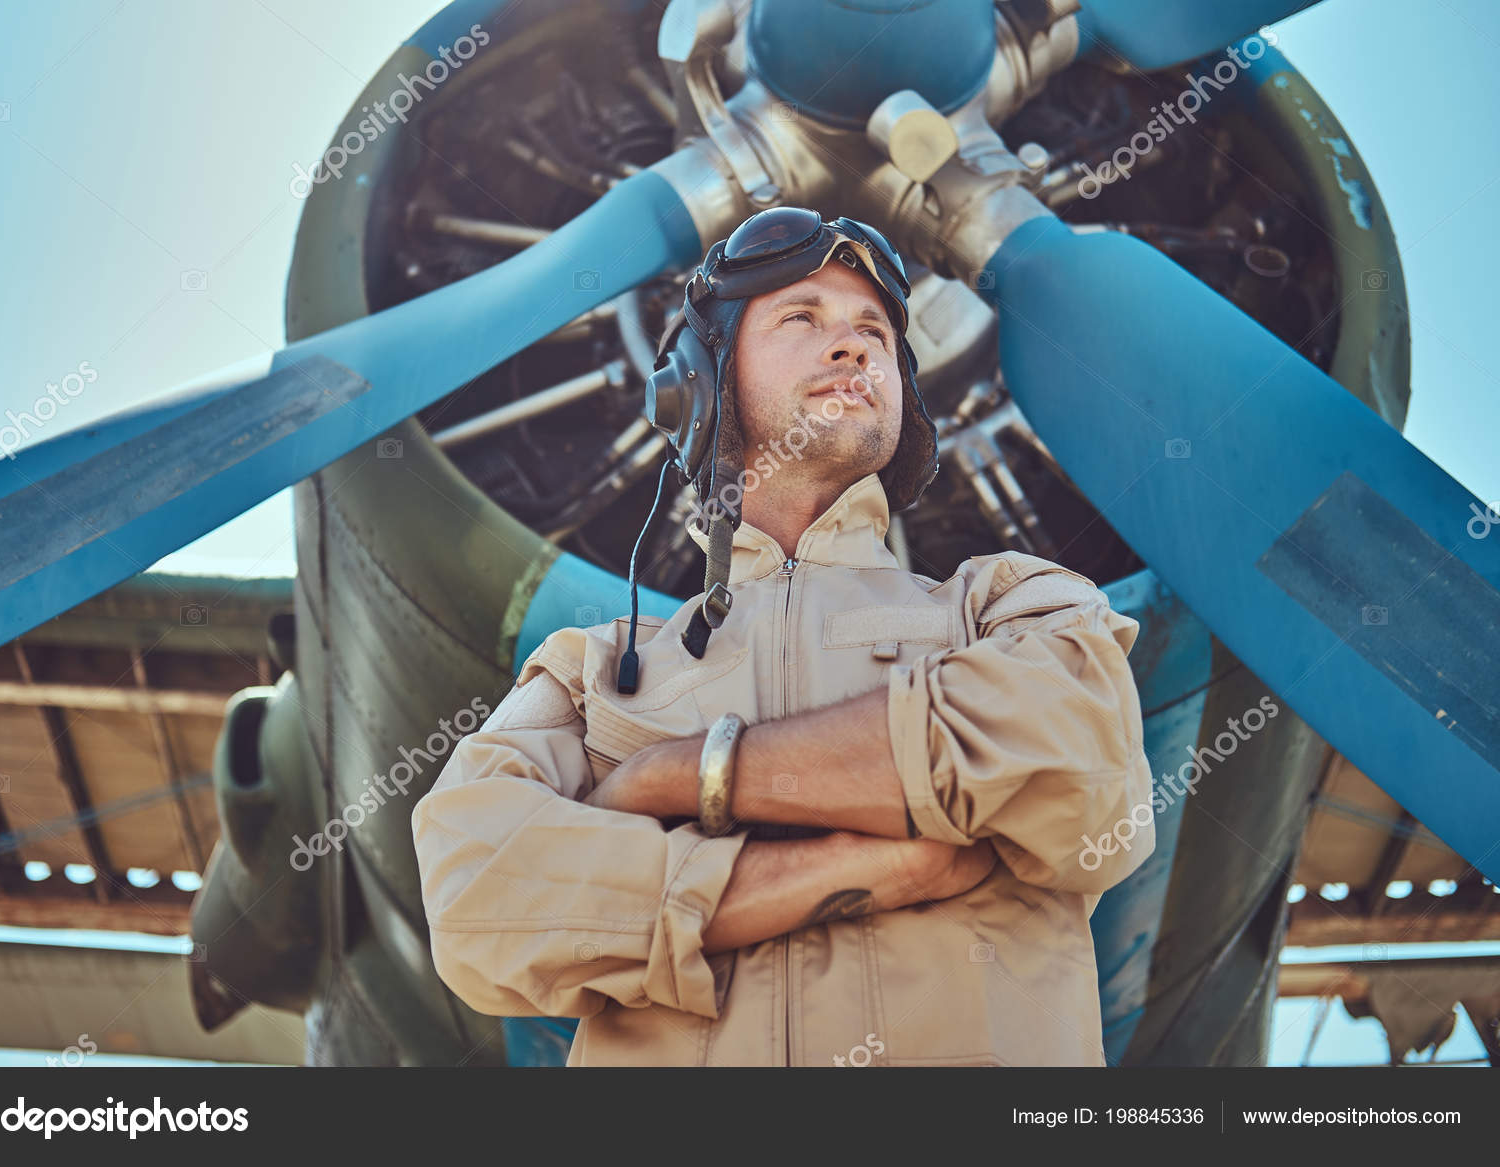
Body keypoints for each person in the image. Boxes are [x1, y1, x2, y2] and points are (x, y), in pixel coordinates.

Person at [411, 207, 1155, 1066]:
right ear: (702, 385)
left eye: (873, 330)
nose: (853, 347)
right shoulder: (586, 675)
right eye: (802, 318)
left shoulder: (1015, 602)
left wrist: (678, 776)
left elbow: (1086, 773)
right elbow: (476, 892)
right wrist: (880, 866)